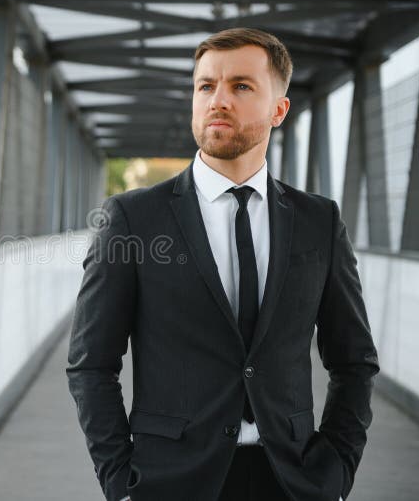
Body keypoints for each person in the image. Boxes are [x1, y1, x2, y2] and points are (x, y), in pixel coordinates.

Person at [66, 27, 379, 501]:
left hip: (293, 479)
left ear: (279, 109)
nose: (218, 100)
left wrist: (336, 471)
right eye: (206, 86)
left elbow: (354, 360)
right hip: (169, 481)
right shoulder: (132, 219)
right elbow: (91, 364)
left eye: (241, 86)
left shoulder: (320, 221)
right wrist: (119, 482)